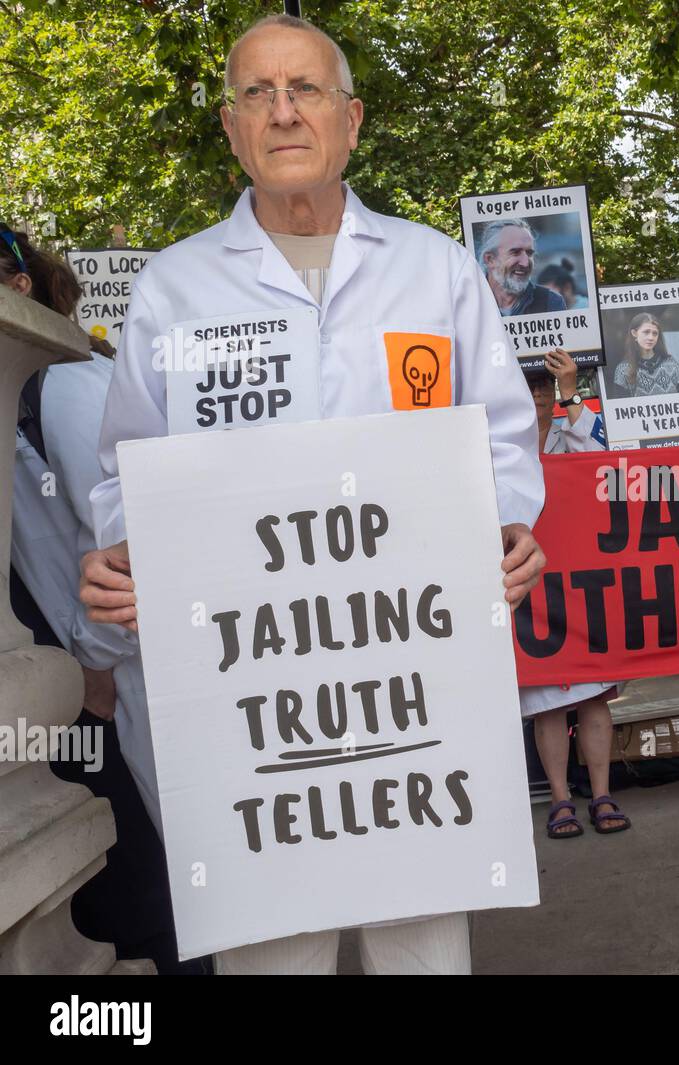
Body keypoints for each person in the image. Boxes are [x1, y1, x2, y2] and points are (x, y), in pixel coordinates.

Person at [77, 14, 546, 975]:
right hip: (256, 733)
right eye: (258, 93)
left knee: (421, 948)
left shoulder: (436, 270)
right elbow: (125, 476)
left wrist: (506, 530)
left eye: (305, 91)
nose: (283, 112)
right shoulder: (174, 291)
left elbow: (498, 435)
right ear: (230, 126)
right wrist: (127, 564)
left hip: (415, 714)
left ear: (351, 119)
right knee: (271, 956)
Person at [3, 224, 204, 973]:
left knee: (185, 865)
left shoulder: (67, 388)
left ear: (18, 287)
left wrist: (94, 661)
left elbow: (137, 546)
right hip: (108, 672)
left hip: (135, 670)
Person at [518, 348, 628, 838]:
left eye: (544, 390)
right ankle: (560, 799)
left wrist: (570, 391)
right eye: (530, 390)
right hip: (532, 589)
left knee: (591, 695)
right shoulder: (498, 449)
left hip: (582, 584)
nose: (538, 398)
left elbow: (602, 464)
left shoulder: (573, 432)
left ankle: (602, 793)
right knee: (547, 700)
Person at [476, 218, 567, 316]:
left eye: (529, 253)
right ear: (490, 259)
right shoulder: (471, 303)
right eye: (515, 252)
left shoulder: (550, 302)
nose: (525, 263)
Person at [613, 311, 679, 398]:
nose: (651, 337)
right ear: (634, 333)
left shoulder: (671, 364)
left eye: (655, 333)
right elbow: (621, 407)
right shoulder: (623, 369)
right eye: (646, 332)